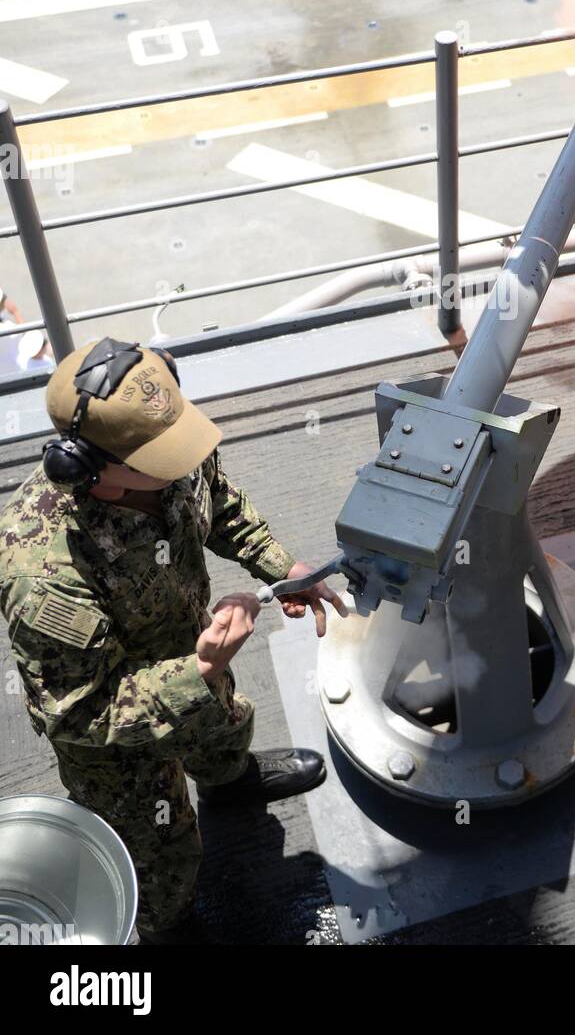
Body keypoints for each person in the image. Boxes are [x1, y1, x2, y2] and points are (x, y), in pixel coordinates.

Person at [0, 337, 347, 945]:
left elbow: (222, 503)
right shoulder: (42, 570)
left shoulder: (168, 453)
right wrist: (202, 667)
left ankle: (228, 780)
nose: (184, 461)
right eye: (164, 456)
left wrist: (279, 566)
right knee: (159, 858)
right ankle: (172, 929)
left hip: (193, 648)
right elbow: (81, 714)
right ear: (86, 467)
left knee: (224, 723)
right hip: (118, 752)